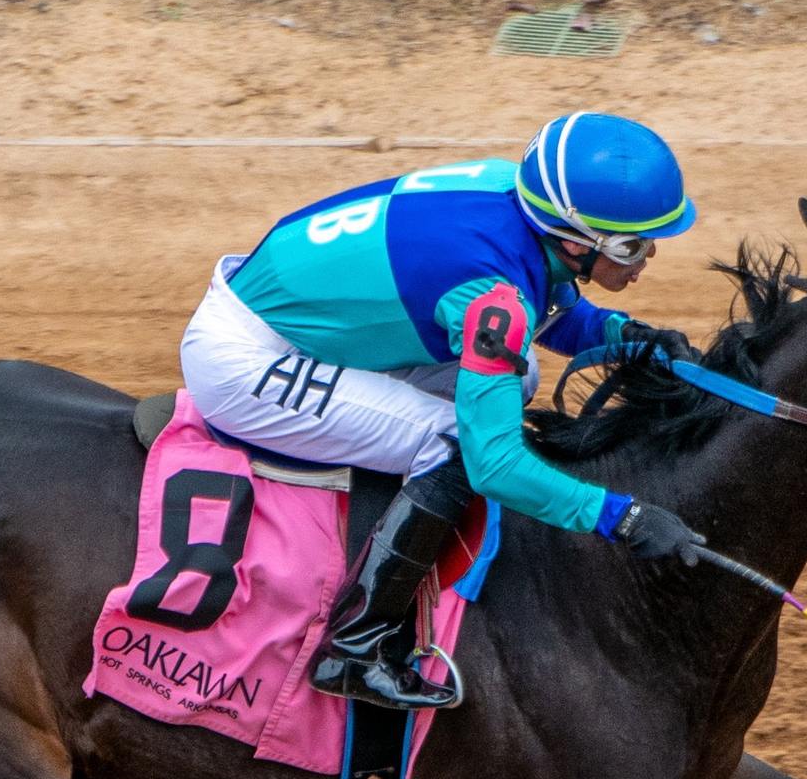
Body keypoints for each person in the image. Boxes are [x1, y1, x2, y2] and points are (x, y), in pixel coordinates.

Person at [180, 112, 705, 711]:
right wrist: (623, 518)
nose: (649, 259)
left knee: (522, 374)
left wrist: (627, 334)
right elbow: (496, 467)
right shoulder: (491, 297)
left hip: (298, 316)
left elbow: (550, 299)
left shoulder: (516, 195)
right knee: (454, 442)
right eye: (632, 246)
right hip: (243, 362)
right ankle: (356, 648)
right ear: (571, 238)